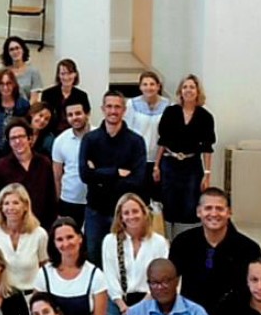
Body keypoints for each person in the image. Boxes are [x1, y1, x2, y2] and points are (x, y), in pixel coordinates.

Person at [168, 186, 261, 315]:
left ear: (229, 212)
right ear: (198, 212)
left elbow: (256, 290)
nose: (213, 213)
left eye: (219, 209)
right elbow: (170, 283)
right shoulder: (182, 242)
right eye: (208, 208)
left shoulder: (248, 248)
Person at [79, 91, 148, 265]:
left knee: (125, 261)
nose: (113, 111)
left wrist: (99, 175)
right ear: (102, 109)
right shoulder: (90, 139)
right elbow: (85, 175)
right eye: (109, 106)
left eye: (117, 107)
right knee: (94, 258)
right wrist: (116, 172)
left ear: (124, 110)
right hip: (96, 211)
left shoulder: (136, 141)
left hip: (125, 213)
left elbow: (137, 180)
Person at [156, 74, 216, 238]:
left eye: (192, 87)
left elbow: (207, 148)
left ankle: (186, 239)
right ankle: (168, 239)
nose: (188, 90)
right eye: (185, 87)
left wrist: (207, 174)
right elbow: (162, 141)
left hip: (192, 165)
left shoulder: (205, 117)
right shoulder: (170, 112)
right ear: (180, 91)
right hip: (170, 163)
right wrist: (156, 165)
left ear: (197, 91)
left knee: (190, 204)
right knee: (168, 203)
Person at [0, 118, 58, 230]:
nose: (17, 141)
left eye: (21, 137)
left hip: (40, 225)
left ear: (30, 138)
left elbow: (51, 197)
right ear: (9, 142)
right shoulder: (1, 166)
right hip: (11, 225)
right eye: (13, 138)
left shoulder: (44, 163)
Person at [0, 183, 50, 292]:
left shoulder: (39, 234)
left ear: (25, 206)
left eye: (15, 203)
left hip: (31, 297)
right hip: (2, 296)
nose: (11, 208)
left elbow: (45, 267)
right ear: (1, 207)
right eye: (6, 203)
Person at [125, 69, 169, 204]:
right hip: (138, 160)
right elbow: (127, 130)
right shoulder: (132, 104)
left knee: (158, 200)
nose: (148, 87)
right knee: (138, 198)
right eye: (145, 84)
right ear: (140, 87)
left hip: (159, 159)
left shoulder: (168, 105)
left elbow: (167, 134)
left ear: (158, 86)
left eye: (152, 84)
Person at [51, 100, 92, 225]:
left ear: (87, 114)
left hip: (95, 201)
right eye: (70, 115)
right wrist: (58, 203)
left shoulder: (100, 136)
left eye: (78, 113)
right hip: (69, 201)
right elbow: (57, 176)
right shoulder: (60, 140)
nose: (74, 118)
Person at [0, 70, 31, 157]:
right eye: (2, 84)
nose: (5, 87)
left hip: (18, 153)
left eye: (9, 83)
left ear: (14, 85)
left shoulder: (24, 105)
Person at [41, 58, 90, 137]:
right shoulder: (47, 94)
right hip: (51, 134)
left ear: (75, 74)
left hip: (74, 134)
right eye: (63, 74)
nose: (66, 77)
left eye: (70, 73)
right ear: (58, 75)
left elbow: (85, 118)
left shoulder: (82, 96)